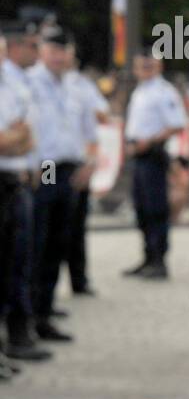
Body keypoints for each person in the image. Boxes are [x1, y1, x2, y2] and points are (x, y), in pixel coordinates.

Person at [26, 23, 87, 341]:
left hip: (68, 168)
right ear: (41, 52)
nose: (58, 56)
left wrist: (88, 162)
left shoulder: (72, 85)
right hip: (45, 167)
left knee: (58, 242)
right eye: (53, 50)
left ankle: (44, 313)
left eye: (63, 51)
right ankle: (29, 314)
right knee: (40, 239)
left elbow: (84, 127)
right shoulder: (31, 82)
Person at [0, 20, 51, 360]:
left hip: (37, 175)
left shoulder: (27, 82)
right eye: (34, 46)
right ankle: (22, 332)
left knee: (38, 252)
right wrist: (17, 140)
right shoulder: (16, 81)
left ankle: (36, 321)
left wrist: (42, 178)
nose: (41, 53)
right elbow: (7, 142)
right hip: (10, 178)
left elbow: (33, 138)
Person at [122, 51, 186, 279]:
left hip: (153, 154)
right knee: (141, 209)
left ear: (159, 67)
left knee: (156, 209)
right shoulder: (141, 90)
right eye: (142, 66)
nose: (145, 70)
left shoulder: (163, 92)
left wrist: (148, 142)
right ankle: (148, 256)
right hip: (139, 154)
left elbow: (176, 124)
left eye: (150, 66)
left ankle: (159, 260)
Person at [0, 30, 37, 376]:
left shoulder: (11, 88)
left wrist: (16, 138)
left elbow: (28, 140)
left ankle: (15, 339)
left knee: (15, 265)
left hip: (15, 181)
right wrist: (15, 137)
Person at [64, 57, 108, 296]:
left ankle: (77, 280)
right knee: (52, 222)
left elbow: (101, 116)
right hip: (51, 165)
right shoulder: (33, 82)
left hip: (76, 163)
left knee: (75, 221)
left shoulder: (81, 87)